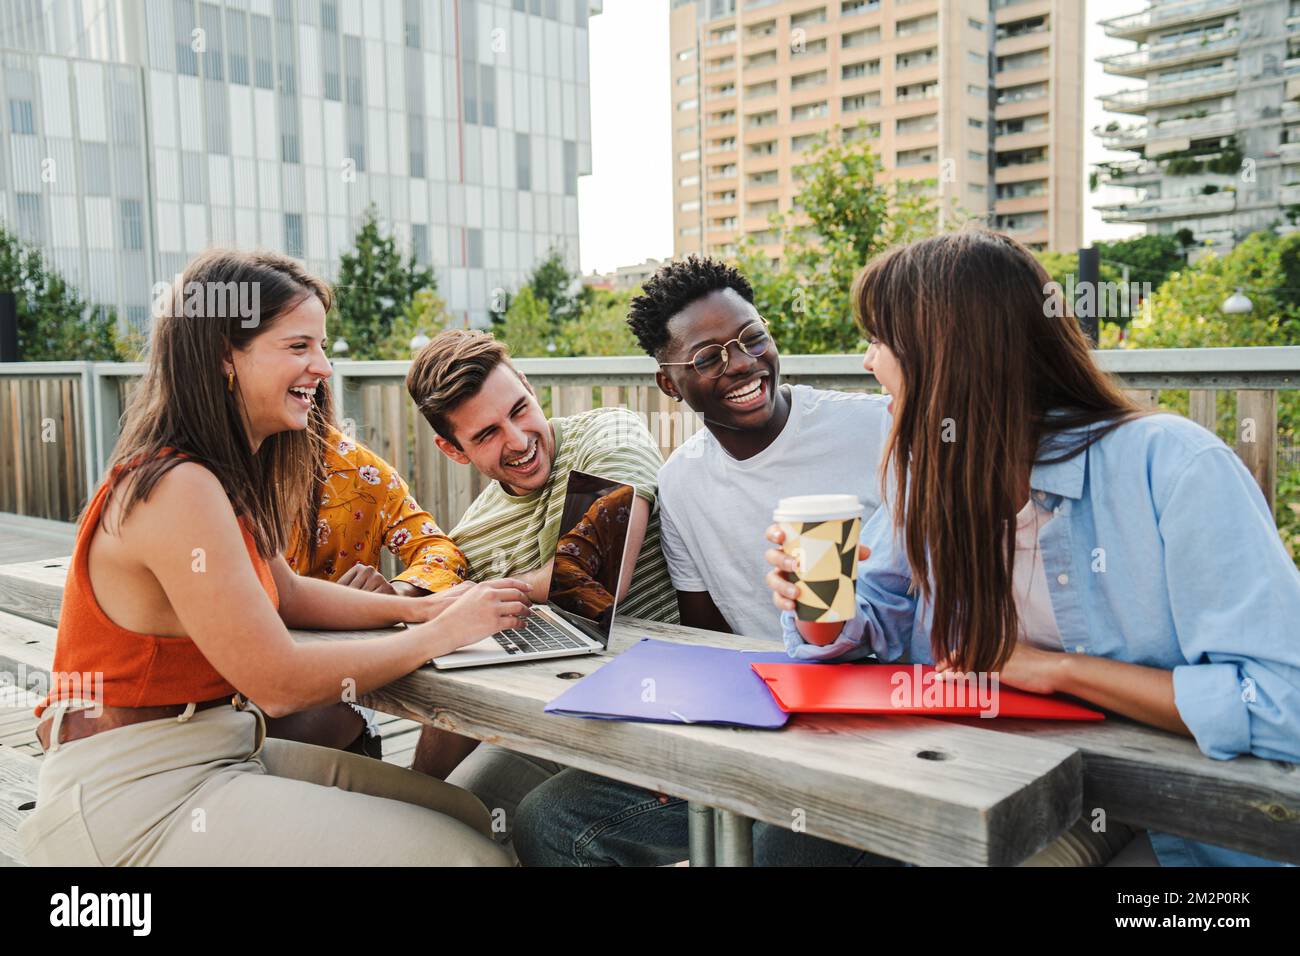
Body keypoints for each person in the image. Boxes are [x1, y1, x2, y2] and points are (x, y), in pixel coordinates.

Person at [764, 229, 1300, 867]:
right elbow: (876, 621)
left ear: (949, 355)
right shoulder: (939, 470)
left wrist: (1056, 670)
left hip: (1164, 813)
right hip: (994, 774)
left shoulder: (1173, 467)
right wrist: (813, 601)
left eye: (879, 341)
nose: (867, 361)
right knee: (789, 845)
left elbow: (1278, 706)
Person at [18, 249, 527, 866]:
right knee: (470, 859)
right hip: (136, 794)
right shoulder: (177, 488)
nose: (324, 366)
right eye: (299, 346)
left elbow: (286, 593)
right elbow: (276, 682)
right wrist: (441, 635)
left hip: (214, 751)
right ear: (224, 357)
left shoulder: (223, 477)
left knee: (468, 816)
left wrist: (427, 609)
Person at [510, 255, 896, 866]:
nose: (742, 363)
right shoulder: (682, 483)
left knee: (773, 851)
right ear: (670, 383)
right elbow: (706, 638)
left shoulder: (878, 430)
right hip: (755, 725)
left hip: (874, 724)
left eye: (752, 338)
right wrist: (684, 741)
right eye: (708, 357)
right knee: (549, 821)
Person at [402, 329, 679, 837]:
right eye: (485, 434)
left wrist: (490, 593)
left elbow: (594, 581)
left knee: (543, 824)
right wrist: (417, 796)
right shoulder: (474, 534)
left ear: (529, 385)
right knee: (444, 818)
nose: (518, 439)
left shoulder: (608, 436)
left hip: (665, 708)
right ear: (452, 449)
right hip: (560, 726)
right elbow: (463, 656)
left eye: (519, 408)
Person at [273, 383, 471, 757]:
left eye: (320, 348)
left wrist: (400, 593)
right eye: (297, 346)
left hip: (337, 691)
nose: (321, 367)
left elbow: (440, 550)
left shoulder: (356, 470)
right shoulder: (204, 476)